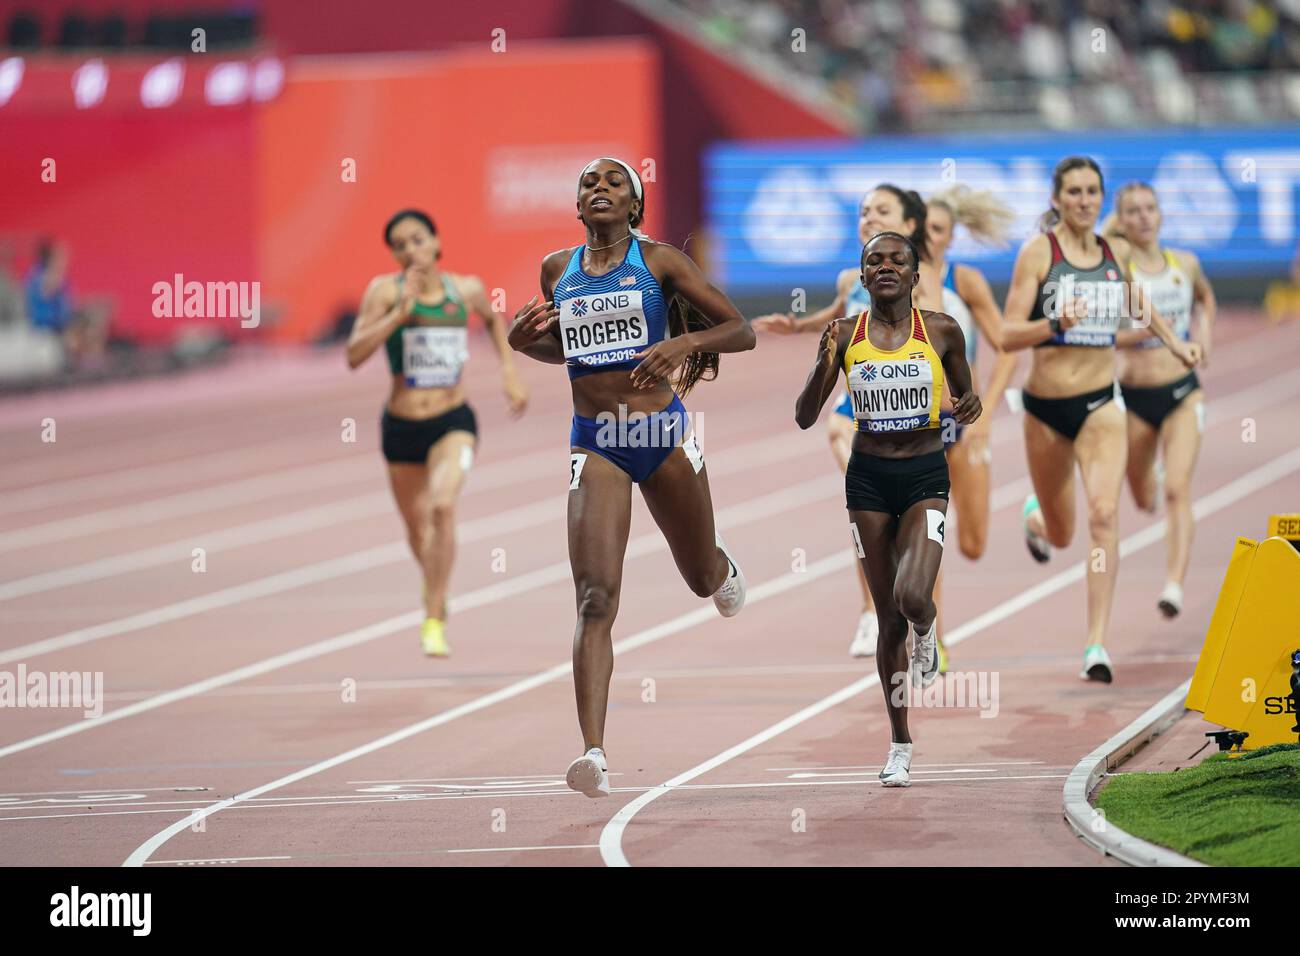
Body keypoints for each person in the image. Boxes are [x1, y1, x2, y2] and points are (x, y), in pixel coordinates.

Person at [508, 157, 755, 798]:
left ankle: (722, 567)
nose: (599, 188)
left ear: (634, 206)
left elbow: (741, 330)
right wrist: (520, 343)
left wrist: (681, 345)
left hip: (659, 434)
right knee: (596, 598)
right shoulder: (556, 271)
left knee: (701, 579)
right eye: (588, 181)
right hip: (596, 443)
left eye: (614, 182)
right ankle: (594, 752)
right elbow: (565, 347)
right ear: (578, 203)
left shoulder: (661, 263)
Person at [1000, 157, 1200, 683]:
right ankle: (1038, 518)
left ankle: (1095, 645)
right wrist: (1054, 322)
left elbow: (1139, 299)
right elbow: (1005, 335)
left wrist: (1177, 344)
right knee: (1064, 533)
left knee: (1105, 516)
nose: (1084, 200)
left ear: (1100, 198)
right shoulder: (1039, 253)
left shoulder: (1115, 253)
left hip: (1101, 405)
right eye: (1074, 192)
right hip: (1045, 410)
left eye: (1092, 191)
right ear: (1057, 199)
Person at [796, 230, 980, 787]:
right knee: (887, 618)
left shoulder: (943, 331)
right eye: (873, 260)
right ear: (861, 274)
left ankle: (930, 630)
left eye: (897, 259)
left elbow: (965, 400)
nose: (885, 267)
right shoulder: (846, 334)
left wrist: (968, 406)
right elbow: (806, 415)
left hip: (925, 474)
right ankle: (900, 742)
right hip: (869, 480)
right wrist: (824, 360)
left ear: (915, 274)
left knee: (913, 596)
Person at [347, 209, 528, 657]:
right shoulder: (383, 292)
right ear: (393, 253)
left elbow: (492, 320)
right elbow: (353, 355)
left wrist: (509, 373)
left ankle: (432, 617)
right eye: (400, 245)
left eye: (418, 240)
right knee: (417, 532)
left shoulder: (464, 289)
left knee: (443, 506)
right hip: (402, 426)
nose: (411, 250)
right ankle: (437, 589)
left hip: (453, 420)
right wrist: (398, 316)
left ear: (436, 241)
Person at [1102, 182, 1216, 618]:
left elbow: (1206, 298)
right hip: (1133, 396)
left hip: (1182, 392)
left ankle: (1173, 585)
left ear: (1162, 214)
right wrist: (1151, 334)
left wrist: (1201, 334)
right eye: (1133, 211)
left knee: (1175, 490)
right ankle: (1152, 476)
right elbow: (1102, 336)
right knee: (1142, 495)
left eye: (1150, 208)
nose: (1144, 217)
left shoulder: (1184, 263)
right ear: (1122, 220)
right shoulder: (1113, 268)